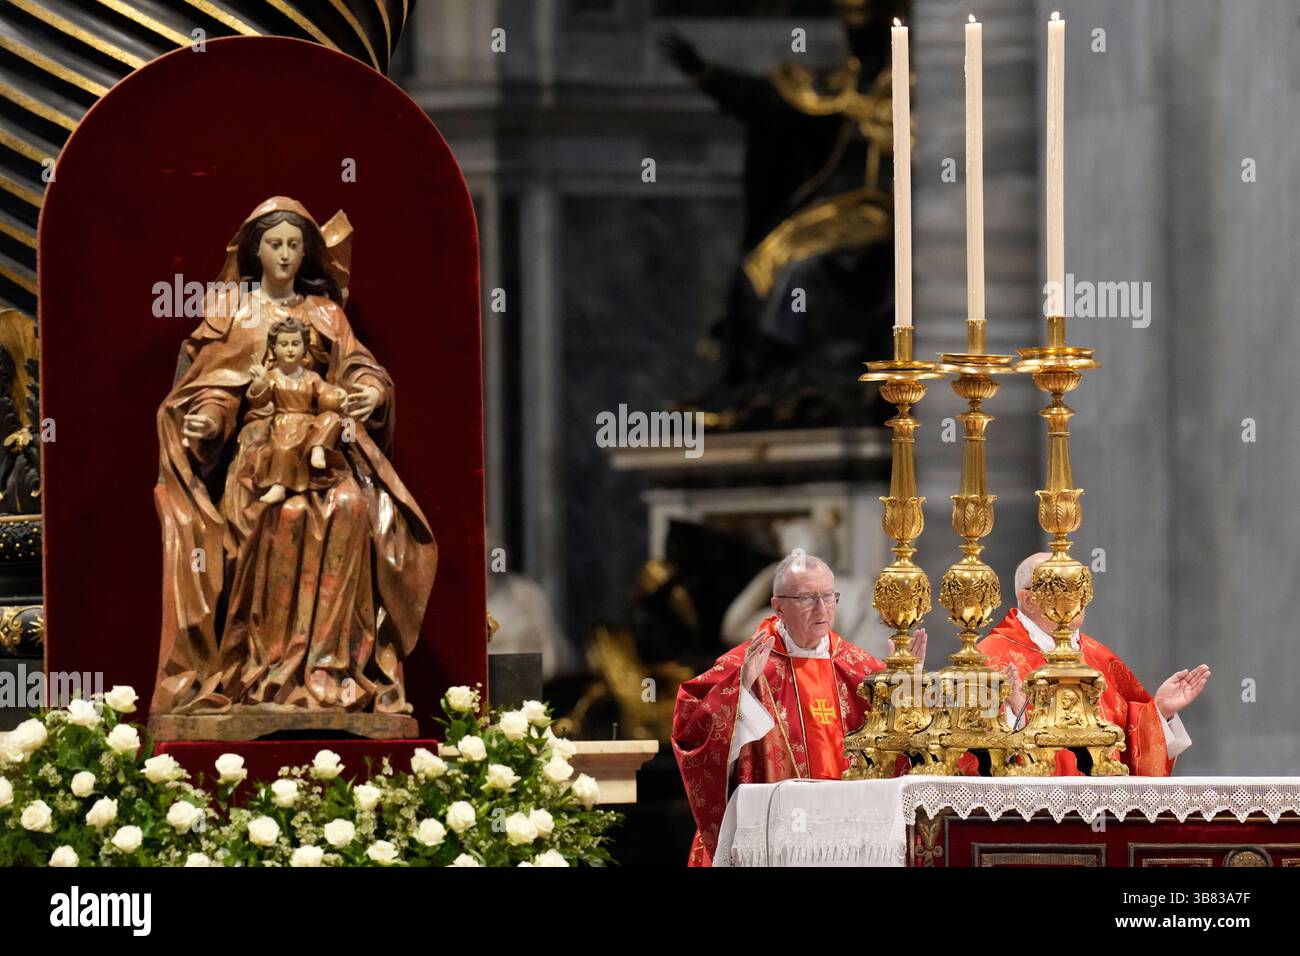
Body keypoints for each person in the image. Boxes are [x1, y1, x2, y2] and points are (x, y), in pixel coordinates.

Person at [152, 196, 436, 716]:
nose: (284, 255)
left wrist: (371, 391)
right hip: (260, 457)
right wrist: (209, 420)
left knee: (351, 508)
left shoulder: (325, 313)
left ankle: (329, 667)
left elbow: (356, 368)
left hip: (323, 453)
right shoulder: (233, 313)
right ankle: (261, 666)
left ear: (306, 254)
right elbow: (215, 385)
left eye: (293, 245)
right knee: (281, 515)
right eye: (274, 244)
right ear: (256, 251)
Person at [672, 550, 924, 866]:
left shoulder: (860, 668)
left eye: (829, 597)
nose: (822, 609)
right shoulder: (748, 663)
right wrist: (739, 692)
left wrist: (908, 692)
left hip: (844, 838)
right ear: (778, 606)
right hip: (774, 836)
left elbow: (897, 746)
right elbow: (690, 728)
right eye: (807, 598)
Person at [980, 553, 1210, 775]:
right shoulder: (990, 657)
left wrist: (1158, 712)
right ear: (1028, 600)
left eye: (1081, 587)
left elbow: (1127, 743)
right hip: (1029, 810)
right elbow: (972, 757)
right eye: (1062, 587)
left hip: (1103, 810)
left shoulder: (1098, 656)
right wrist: (1015, 711)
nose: (1078, 598)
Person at [247, 316, 348, 504]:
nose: (290, 349)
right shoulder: (272, 377)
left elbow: (327, 394)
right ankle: (279, 486)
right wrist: (259, 383)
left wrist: (339, 393)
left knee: (333, 418)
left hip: (310, 424)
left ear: (305, 347)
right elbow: (260, 402)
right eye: (284, 344)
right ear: (274, 348)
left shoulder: (312, 377)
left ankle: (318, 447)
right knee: (283, 448)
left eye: (295, 343)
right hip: (285, 425)